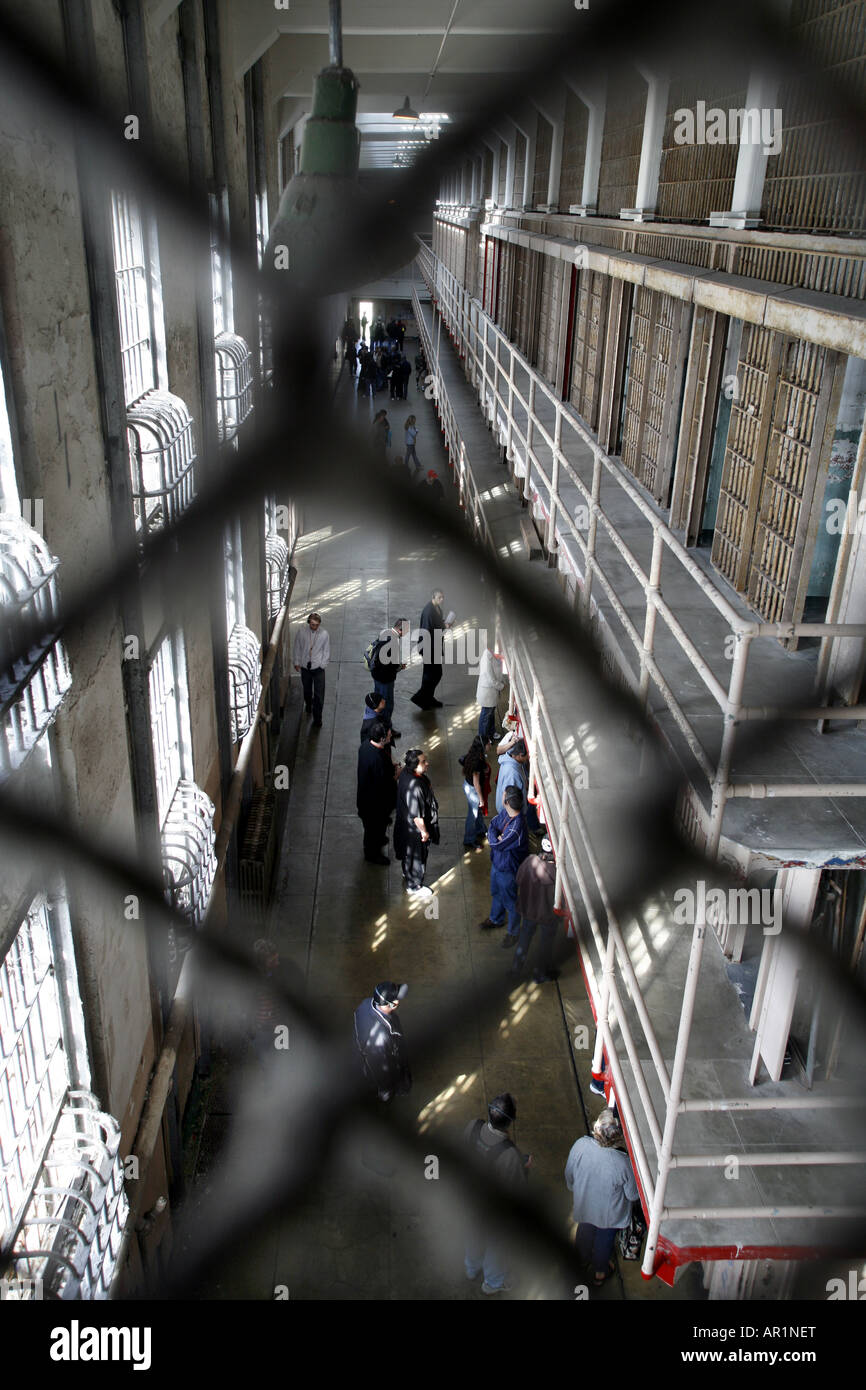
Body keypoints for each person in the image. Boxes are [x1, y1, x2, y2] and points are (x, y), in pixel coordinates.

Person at [463, 1093, 531, 1294]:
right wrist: (525, 1167)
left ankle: (471, 1267)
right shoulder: (509, 1154)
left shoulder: (473, 1126)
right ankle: (493, 1282)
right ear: (510, 1121)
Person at [565, 1109, 640, 1286]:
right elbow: (632, 1194)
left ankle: (581, 1262)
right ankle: (600, 1272)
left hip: (585, 1205)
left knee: (584, 1232)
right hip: (610, 1216)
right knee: (604, 1242)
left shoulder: (581, 1145)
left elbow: (569, 1173)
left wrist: (574, 1188)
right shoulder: (623, 1162)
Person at [480, 786, 529, 945]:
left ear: (506, 801)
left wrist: (495, 836)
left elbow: (494, 843)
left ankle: (513, 933)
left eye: (503, 795)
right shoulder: (506, 814)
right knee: (496, 892)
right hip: (498, 864)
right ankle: (496, 919)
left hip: (508, 870)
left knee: (511, 901)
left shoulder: (516, 827)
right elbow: (493, 824)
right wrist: (496, 835)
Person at [511, 838, 560, 981]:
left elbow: (518, 880)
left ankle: (515, 970)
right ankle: (539, 974)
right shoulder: (559, 873)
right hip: (548, 916)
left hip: (529, 912)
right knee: (546, 945)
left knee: (524, 939)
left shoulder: (529, 862)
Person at [354, 981, 411, 1102]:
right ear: (392, 1004)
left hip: (374, 1053)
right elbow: (381, 1069)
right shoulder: (381, 1037)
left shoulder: (366, 1003)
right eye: (397, 999)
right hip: (387, 1066)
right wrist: (386, 1090)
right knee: (392, 1087)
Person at [394, 748, 438, 897]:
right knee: (418, 857)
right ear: (414, 765)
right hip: (414, 831)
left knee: (408, 855)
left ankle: (407, 872)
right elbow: (417, 817)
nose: (427, 763)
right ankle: (414, 885)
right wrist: (424, 832)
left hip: (404, 825)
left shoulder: (406, 773)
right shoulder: (415, 788)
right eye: (423, 762)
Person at [356, 721, 398, 864]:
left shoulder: (366, 746)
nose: (391, 734)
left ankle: (379, 838)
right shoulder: (377, 760)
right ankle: (372, 854)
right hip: (374, 804)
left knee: (376, 828)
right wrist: (397, 774)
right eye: (388, 734)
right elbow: (385, 783)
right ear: (382, 739)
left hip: (366, 798)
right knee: (372, 830)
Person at [410, 588, 449, 709]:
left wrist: (444, 624)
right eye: (439, 598)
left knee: (435, 674)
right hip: (429, 648)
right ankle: (420, 698)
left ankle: (428, 698)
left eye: (443, 597)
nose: (442, 600)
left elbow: (436, 624)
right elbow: (427, 631)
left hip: (434, 647)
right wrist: (444, 627)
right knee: (431, 675)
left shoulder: (437, 609)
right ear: (433, 597)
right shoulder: (428, 611)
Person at [292, 611, 329, 728]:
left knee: (319, 695)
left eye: (317, 625)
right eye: (313, 624)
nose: (315, 627)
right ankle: (308, 704)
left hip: (318, 668)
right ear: (309, 623)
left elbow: (326, 650)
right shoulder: (302, 632)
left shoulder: (324, 634)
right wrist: (297, 662)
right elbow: (297, 647)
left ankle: (318, 719)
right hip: (305, 667)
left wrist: (323, 664)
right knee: (307, 690)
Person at [369, 618, 408, 726]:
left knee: (378, 702)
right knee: (386, 704)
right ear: (400, 630)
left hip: (376, 675)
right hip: (385, 679)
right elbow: (391, 665)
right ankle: (385, 729)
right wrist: (400, 666)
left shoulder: (385, 633)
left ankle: (378, 726)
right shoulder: (393, 641)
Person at [460, 734, 491, 848]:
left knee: (476, 812)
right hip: (473, 790)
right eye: (488, 743)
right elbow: (476, 783)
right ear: (483, 746)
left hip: (469, 786)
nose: (490, 744)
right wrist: (481, 799)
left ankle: (480, 829)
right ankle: (469, 839)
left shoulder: (475, 754)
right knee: (472, 815)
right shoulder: (477, 762)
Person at [476, 645, 506, 742]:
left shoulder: (493, 653)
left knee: (491, 713)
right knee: (486, 715)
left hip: (492, 691)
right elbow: (490, 679)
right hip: (487, 692)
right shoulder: (486, 656)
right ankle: (483, 739)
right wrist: (501, 686)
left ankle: (491, 732)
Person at [495, 738, 529, 813]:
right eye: (528, 755)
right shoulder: (512, 774)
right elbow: (511, 801)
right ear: (520, 755)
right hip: (509, 813)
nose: (529, 758)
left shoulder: (509, 757)